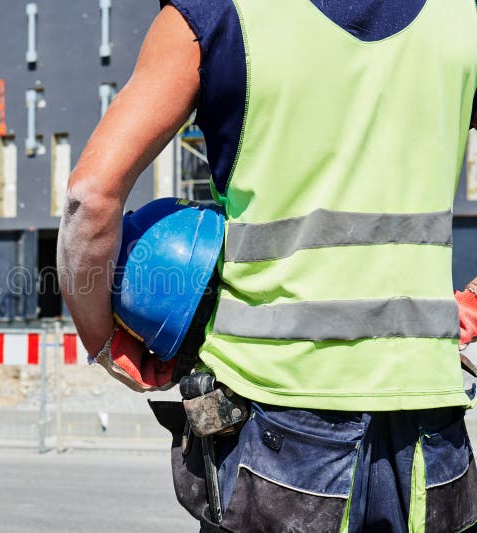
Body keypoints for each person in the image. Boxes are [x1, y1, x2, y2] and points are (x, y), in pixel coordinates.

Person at [57, 1, 477, 531]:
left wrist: (104, 342)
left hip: (276, 428)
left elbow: (88, 198)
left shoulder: (215, 13)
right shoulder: (462, 15)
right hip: (430, 433)